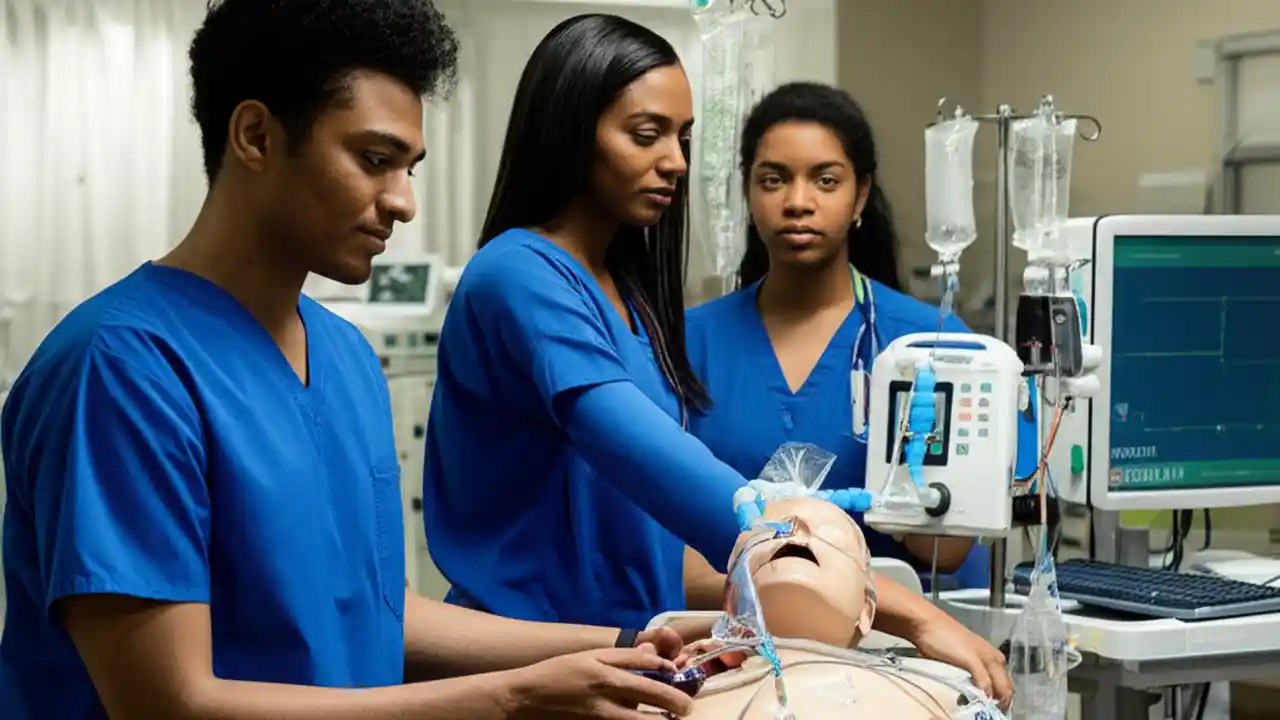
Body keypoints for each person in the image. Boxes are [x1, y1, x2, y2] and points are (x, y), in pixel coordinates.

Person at [0, 2, 699, 719]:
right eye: (373, 160)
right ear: (255, 136)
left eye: (410, 168)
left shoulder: (346, 358)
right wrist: (512, 698)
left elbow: (376, 612)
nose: (402, 202)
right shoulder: (121, 369)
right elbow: (169, 702)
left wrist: (635, 637)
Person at [422, 14, 1010, 702]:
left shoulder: (632, 302)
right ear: (568, 131)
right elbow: (666, 472)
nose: (674, 159)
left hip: (633, 658)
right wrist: (909, 612)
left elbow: (654, 539)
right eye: (646, 135)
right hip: (528, 673)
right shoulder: (519, 275)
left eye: (683, 136)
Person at [684, 82, 992, 595]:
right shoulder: (688, 344)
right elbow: (660, 547)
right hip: (728, 641)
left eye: (825, 180)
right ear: (748, 192)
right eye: (774, 180)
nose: (798, 202)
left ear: (861, 195)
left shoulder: (930, 346)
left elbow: (946, 549)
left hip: (889, 649)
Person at [645, 497, 1009, 718]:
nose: (796, 530)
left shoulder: (940, 693)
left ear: (867, 609)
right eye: (769, 530)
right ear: (730, 604)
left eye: (827, 531)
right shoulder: (677, 684)